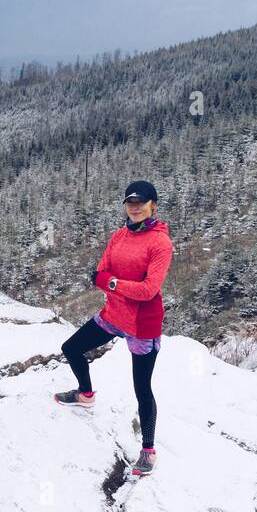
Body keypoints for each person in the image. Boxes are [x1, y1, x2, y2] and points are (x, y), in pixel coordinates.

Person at [54, 180, 173, 477]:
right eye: (130, 202)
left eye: (141, 202)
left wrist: (114, 283)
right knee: (71, 348)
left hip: (143, 325)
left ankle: (148, 451)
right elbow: (98, 274)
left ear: (153, 206)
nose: (134, 207)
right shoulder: (119, 236)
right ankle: (85, 395)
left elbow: (148, 291)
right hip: (114, 314)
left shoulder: (160, 243)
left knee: (142, 389)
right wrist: (113, 284)